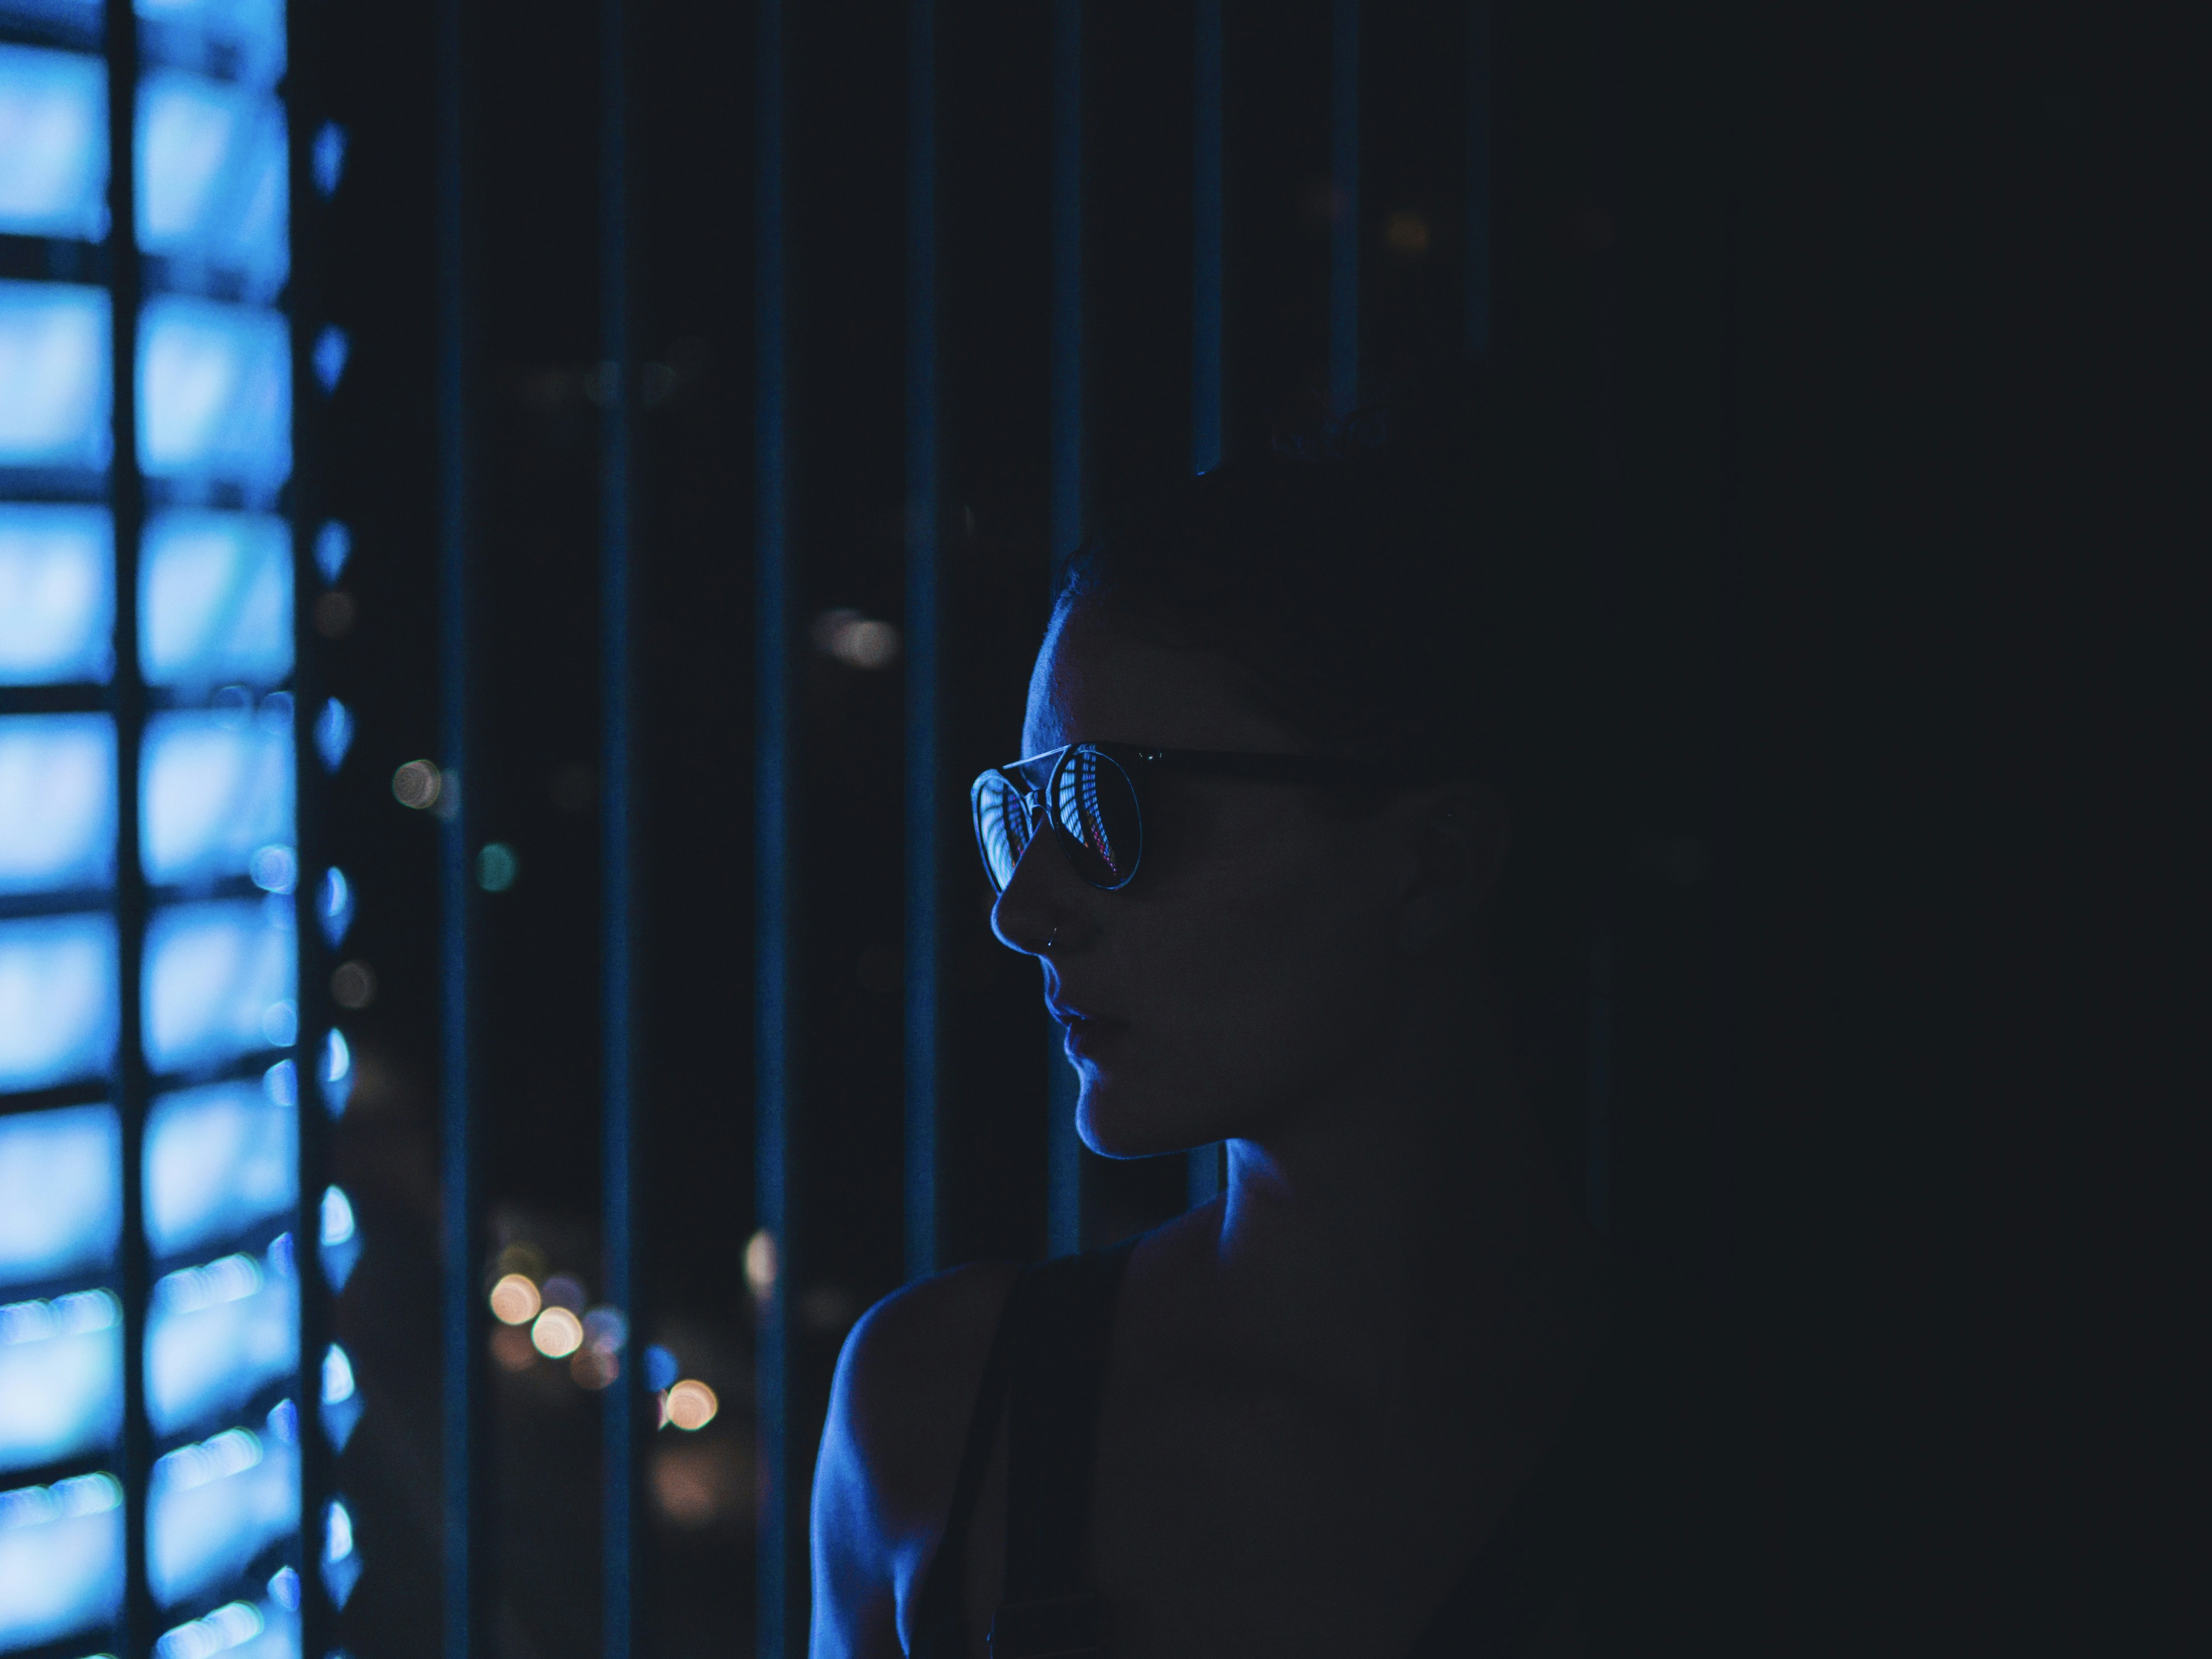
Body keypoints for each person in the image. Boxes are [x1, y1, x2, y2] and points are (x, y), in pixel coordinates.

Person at [809, 394, 1749, 1658]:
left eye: (1102, 811)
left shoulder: (1749, 1462)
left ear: (1433, 863)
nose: (1024, 911)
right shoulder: (939, 1414)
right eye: (1012, 815)